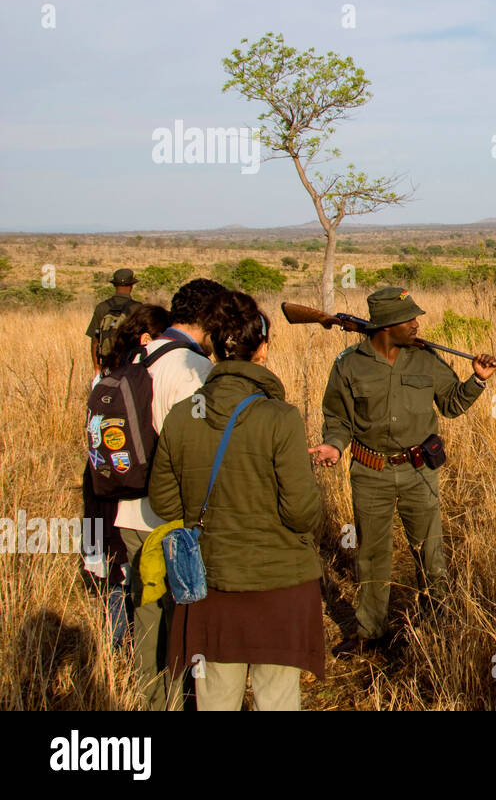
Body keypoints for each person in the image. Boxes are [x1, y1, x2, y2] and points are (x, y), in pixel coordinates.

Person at [150, 290, 324, 711]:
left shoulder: (182, 415)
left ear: (213, 345)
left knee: (214, 699)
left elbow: (164, 505)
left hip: (209, 586)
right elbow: (303, 515)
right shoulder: (279, 417)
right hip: (279, 584)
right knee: (278, 698)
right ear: (260, 348)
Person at [310, 287, 496, 656]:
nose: (416, 324)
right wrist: (334, 444)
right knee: (372, 553)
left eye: (415, 318)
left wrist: (477, 380)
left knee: (429, 551)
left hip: (419, 470)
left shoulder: (425, 359)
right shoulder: (348, 364)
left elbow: (451, 405)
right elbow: (337, 417)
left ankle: (438, 626)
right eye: (408, 319)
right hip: (369, 470)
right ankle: (370, 631)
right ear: (384, 326)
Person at [116, 277, 227, 710]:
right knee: (186, 626)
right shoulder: (192, 370)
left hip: (129, 514)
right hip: (174, 522)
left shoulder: (134, 356)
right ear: (212, 319)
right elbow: (201, 454)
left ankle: (150, 703)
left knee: (147, 625)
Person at [81, 303, 172, 649]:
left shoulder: (105, 376)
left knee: (112, 569)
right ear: (148, 338)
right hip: (133, 494)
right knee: (136, 573)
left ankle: (118, 646)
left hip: (101, 484)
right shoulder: (146, 379)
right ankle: (136, 646)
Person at [86, 269, 142, 370]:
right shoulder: (138, 308)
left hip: (107, 364)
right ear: (131, 286)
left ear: (114, 285)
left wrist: (97, 369)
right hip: (131, 365)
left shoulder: (101, 307)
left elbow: (95, 342)